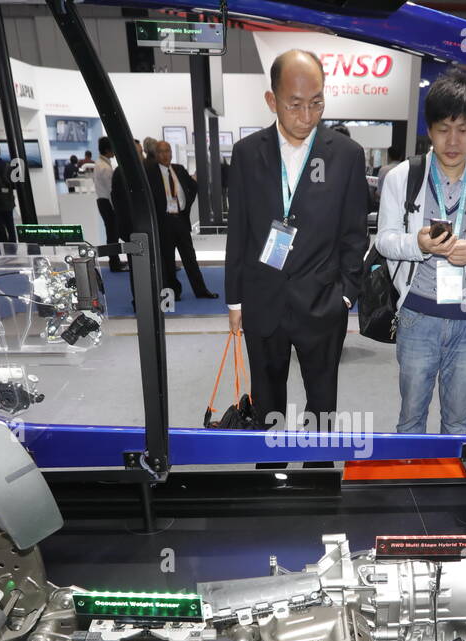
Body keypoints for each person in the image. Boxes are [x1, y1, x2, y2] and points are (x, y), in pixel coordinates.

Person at [224, 49, 369, 428]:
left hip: (322, 301)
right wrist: (235, 299)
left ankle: (317, 473)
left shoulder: (347, 156)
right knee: (266, 399)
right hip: (261, 299)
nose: (307, 117)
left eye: (316, 103)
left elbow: (354, 233)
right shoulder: (245, 154)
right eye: (295, 105)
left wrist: (346, 294)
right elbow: (238, 231)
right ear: (272, 100)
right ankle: (270, 472)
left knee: (321, 402)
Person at [376, 67, 466, 435]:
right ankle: (410, 489)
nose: (452, 141)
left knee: (458, 420)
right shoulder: (401, 177)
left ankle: (451, 491)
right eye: (443, 129)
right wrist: (418, 245)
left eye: (464, 129)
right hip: (416, 316)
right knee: (410, 419)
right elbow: (384, 241)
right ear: (429, 129)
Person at [149, 139, 217, 300]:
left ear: (172, 153)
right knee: (168, 261)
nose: (165, 155)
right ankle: (174, 292)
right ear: (156, 154)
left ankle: (201, 290)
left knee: (190, 258)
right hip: (164, 223)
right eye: (161, 152)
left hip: (181, 221)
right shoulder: (150, 173)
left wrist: (185, 206)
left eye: (167, 151)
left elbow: (194, 187)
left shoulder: (179, 169)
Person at [93, 137, 125, 272]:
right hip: (108, 203)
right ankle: (114, 263)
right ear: (107, 150)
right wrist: (117, 208)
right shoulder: (105, 167)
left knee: (112, 233)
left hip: (102, 202)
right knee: (113, 234)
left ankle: (114, 261)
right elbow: (111, 190)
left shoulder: (99, 163)